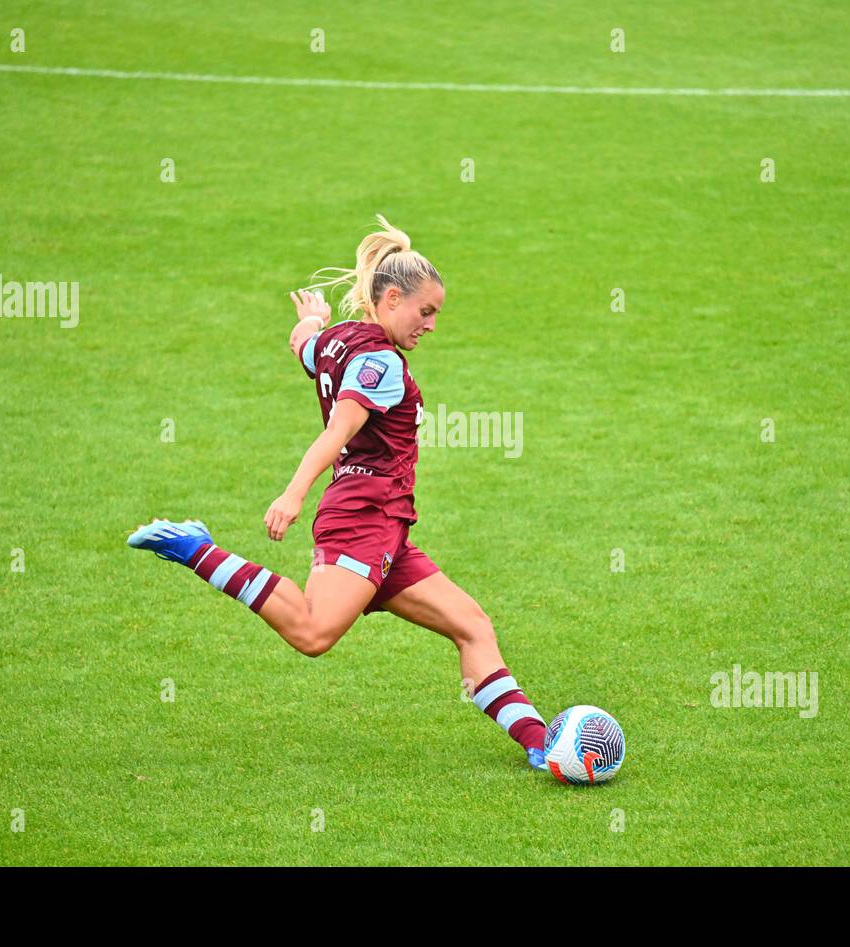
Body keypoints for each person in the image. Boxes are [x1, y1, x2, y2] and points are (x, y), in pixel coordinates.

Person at [128, 216, 548, 770]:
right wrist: (292, 493)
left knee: (471, 625)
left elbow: (305, 347)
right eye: (426, 312)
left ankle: (542, 745)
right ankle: (197, 549)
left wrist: (311, 321)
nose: (432, 325)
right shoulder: (382, 364)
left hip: (386, 526)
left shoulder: (336, 341)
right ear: (392, 298)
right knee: (312, 631)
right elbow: (336, 433)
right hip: (363, 518)